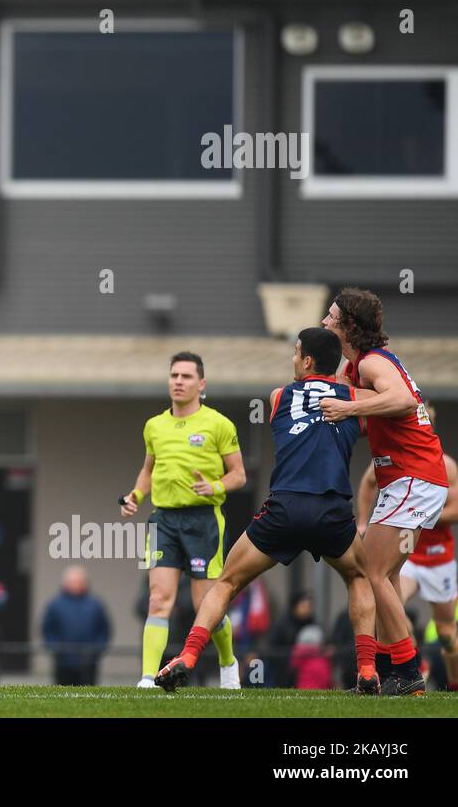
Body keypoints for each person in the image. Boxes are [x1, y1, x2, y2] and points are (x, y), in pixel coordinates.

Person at [156, 328, 381, 695]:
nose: (292, 359)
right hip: (331, 510)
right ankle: (368, 669)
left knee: (226, 583)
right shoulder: (354, 399)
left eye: (296, 353)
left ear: (307, 361)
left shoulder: (279, 397)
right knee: (358, 579)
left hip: (285, 508)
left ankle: (189, 655)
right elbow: (389, 402)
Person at [319, 287, 450, 695]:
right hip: (406, 480)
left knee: (370, 571)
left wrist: (348, 407)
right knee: (384, 573)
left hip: (416, 476)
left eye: (330, 316)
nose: (325, 321)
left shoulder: (374, 361)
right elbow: (346, 394)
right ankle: (392, 670)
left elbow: (404, 400)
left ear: (347, 326)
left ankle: (408, 671)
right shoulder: (356, 366)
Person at [120, 351, 246, 688]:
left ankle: (227, 664)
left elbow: (239, 476)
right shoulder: (155, 425)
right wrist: (135, 496)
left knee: (204, 603)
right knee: (159, 599)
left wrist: (215, 485)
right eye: (174, 375)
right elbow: (148, 470)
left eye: (186, 376)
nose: (178, 381)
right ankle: (147, 677)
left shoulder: (219, 424)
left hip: (203, 520)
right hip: (163, 520)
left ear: (201, 384)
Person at [357, 428, 458, 691]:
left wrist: (419, 512)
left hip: (439, 559)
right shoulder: (390, 455)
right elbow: (368, 482)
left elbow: (456, 510)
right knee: (386, 591)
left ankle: (451, 683)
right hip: (410, 552)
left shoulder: (444, 465)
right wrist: (362, 521)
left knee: (447, 633)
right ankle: (403, 668)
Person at [41, 566, 111, 686]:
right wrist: (55, 648)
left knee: (88, 697)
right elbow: (47, 629)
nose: (75, 585)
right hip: (63, 662)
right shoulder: (55, 604)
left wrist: (96, 649)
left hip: (89, 662)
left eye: (78, 581)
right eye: (72, 581)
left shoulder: (95, 604)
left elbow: (104, 629)